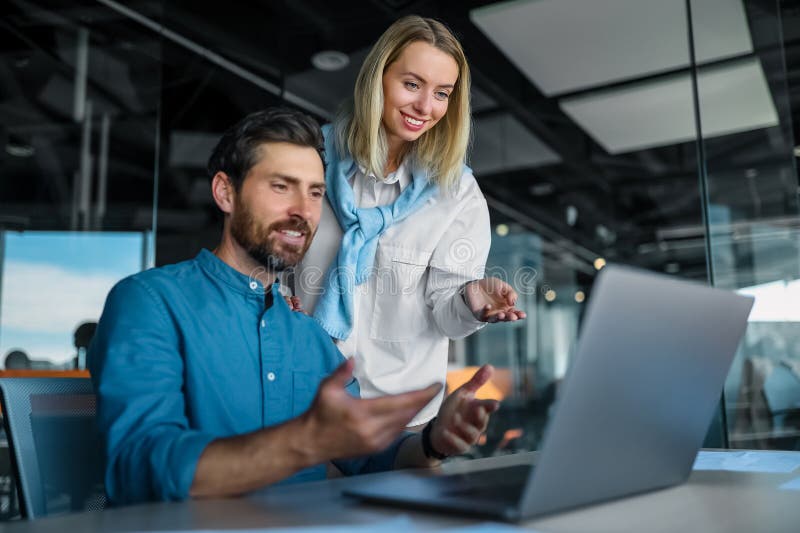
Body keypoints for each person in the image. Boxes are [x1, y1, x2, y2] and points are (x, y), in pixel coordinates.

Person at [88, 107, 499, 505]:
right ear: (225, 192)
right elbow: (138, 468)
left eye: (315, 192)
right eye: (281, 187)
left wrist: (432, 442)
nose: (303, 210)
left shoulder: (309, 334)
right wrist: (304, 442)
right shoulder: (150, 303)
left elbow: (368, 457)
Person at [294, 15, 525, 427]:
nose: (425, 107)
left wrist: (470, 299)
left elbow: (447, 315)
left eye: (442, 93)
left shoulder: (456, 192)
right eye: (412, 84)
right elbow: (274, 267)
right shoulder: (310, 160)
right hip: (306, 403)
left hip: (401, 417)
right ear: (377, 78)